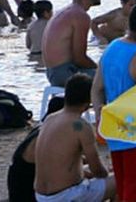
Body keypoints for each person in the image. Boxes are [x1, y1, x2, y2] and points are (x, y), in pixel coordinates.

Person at [92, 2, 136, 202]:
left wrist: (99, 116)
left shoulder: (112, 48)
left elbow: (96, 89)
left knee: (124, 191)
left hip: (115, 131)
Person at [34, 73, 115, 202]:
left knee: (87, 172)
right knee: (119, 181)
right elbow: (97, 170)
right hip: (65, 195)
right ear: (88, 102)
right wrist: (107, 173)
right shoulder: (81, 126)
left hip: (41, 196)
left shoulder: (50, 119)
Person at [42, 0, 102, 86]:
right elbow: (79, 58)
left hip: (53, 72)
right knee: (112, 78)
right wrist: (99, 69)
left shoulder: (67, 11)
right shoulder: (80, 16)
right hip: (64, 72)